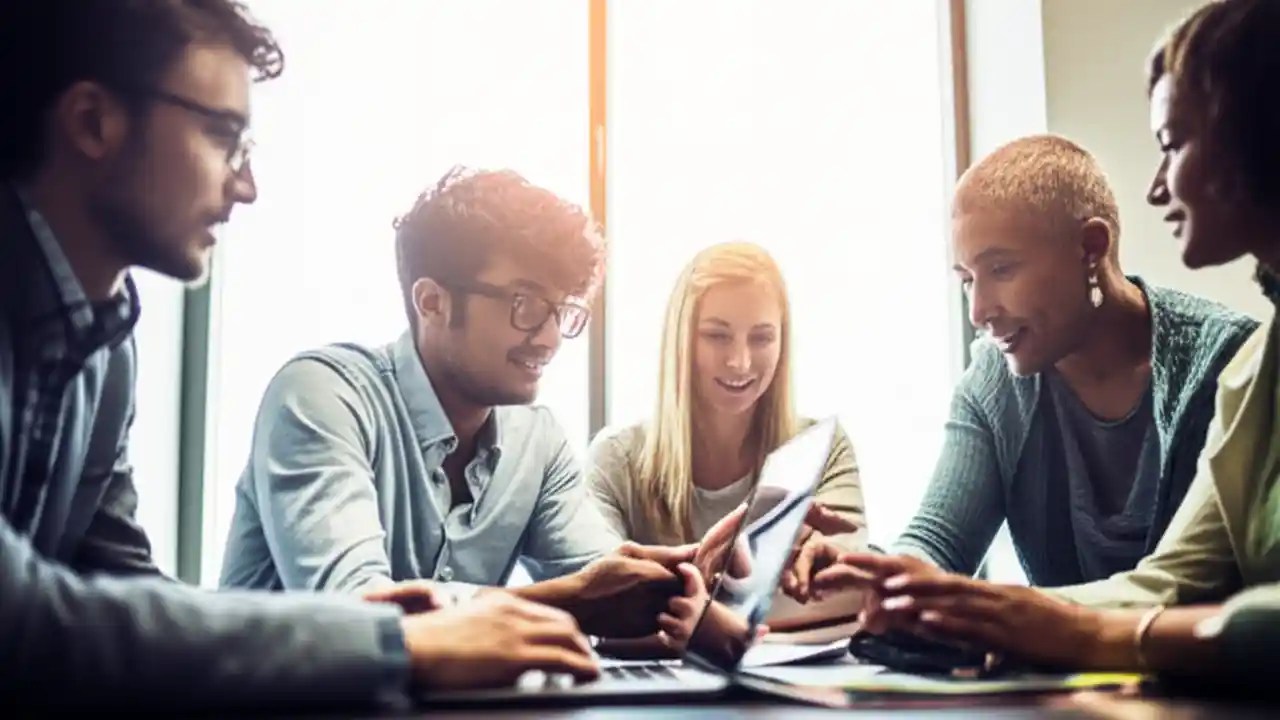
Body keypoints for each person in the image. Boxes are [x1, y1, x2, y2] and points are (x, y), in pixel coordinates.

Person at [0, 1, 600, 710]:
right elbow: (23, 620)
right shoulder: (323, 390)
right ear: (94, 122)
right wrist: (397, 643)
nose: (246, 185)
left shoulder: (106, 353)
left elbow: (120, 590)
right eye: (224, 137)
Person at [810, 0, 1280, 684]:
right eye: (967, 278)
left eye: (1172, 144)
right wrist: (875, 573)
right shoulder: (1259, 371)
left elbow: (1204, 601)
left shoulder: (1224, 363)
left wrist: (1043, 622)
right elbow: (1165, 583)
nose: (1155, 188)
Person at [219, 166, 688, 639]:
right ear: (432, 302)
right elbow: (355, 615)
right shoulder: (321, 397)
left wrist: (682, 595)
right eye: (524, 303)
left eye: (560, 309)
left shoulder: (537, 441)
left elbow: (612, 597)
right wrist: (573, 602)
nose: (548, 338)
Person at [792, 133, 1258, 601]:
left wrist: (997, 610)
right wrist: (861, 566)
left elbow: (1181, 589)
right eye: (967, 280)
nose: (978, 311)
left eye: (1000, 270)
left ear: (1091, 247)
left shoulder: (1231, 364)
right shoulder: (994, 386)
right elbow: (937, 543)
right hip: (1060, 673)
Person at [587, 241, 867, 645]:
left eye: (761, 338)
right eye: (717, 336)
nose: (740, 361)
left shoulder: (823, 446)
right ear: (682, 341)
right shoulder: (615, 458)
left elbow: (845, 593)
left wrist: (691, 614)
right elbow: (597, 603)